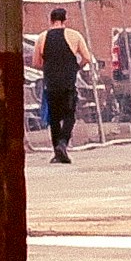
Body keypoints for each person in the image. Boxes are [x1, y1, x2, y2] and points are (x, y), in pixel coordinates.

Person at [38, 9, 83, 163]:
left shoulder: (43, 37)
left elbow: (36, 63)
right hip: (68, 83)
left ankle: (57, 151)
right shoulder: (74, 36)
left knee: (54, 118)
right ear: (65, 19)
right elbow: (87, 57)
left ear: (50, 20)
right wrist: (76, 67)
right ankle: (63, 143)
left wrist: (49, 68)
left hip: (51, 84)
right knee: (69, 115)